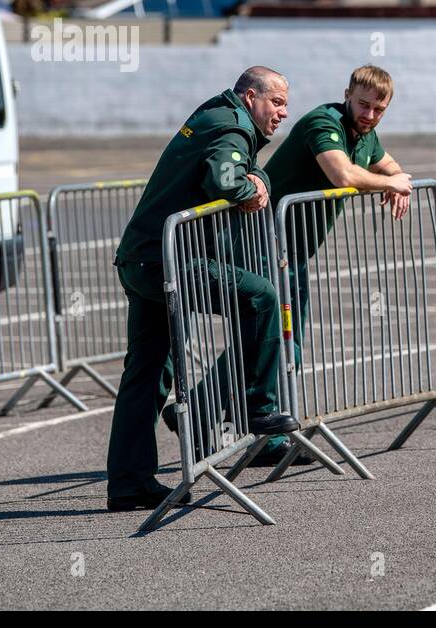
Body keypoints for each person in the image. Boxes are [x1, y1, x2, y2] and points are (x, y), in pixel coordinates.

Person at [106, 66, 299, 511]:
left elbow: (251, 175)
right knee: (262, 298)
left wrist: (259, 181)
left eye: (285, 103)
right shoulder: (231, 125)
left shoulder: (220, 117)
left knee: (149, 374)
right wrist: (248, 185)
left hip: (146, 257)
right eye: (276, 102)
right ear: (250, 97)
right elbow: (224, 178)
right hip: (169, 259)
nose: (283, 112)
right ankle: (255, 406)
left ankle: (129, 483)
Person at [260, 65, 412, 463]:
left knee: (280, 340)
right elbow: (342, 174)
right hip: (267, 246)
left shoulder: (366, 134)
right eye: (363, 105)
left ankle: (243, 418)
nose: (370, 115)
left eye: (380, 109)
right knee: (276, 339)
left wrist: (399, 182)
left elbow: (389, 166)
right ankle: (269, 436)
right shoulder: (323, 122)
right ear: (347, 94)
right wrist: (390, 183)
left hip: (294, 251)